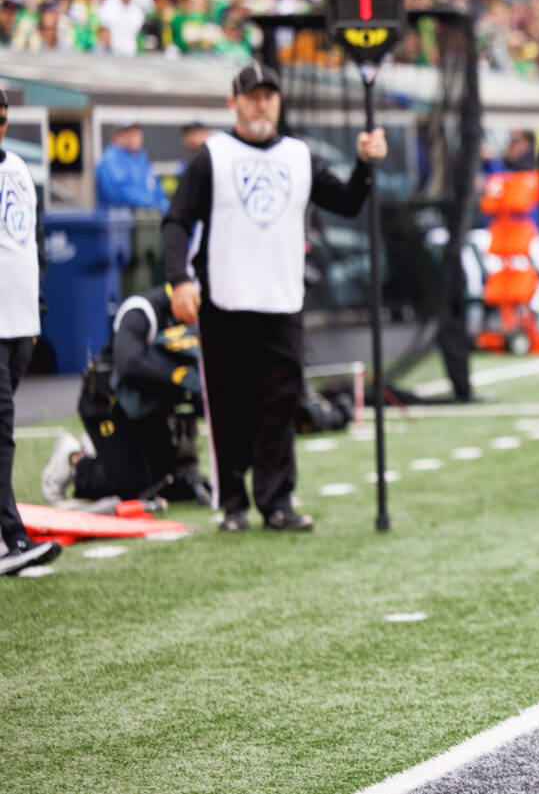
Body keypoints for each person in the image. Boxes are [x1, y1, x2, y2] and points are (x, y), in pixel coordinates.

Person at [162, 63, 387, 532]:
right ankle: (234, 503)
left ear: (278, 101)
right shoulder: (214, 155)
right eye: (252, 95)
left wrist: (366, 166)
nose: (261, 102)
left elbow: (345, 202)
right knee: (228, 407)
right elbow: (176, 221)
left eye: (268, 95)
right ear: (234, 102)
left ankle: (276, 499)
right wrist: (180, 278)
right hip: (224, 299)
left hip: (282, 300)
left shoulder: (299, 155)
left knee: (280, 405)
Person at [41, 284, 209, 506]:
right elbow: (129, 364)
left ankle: (112, 453)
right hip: (109, 404)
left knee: (167, 484)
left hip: (150, 406)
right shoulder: (142, 310)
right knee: (133, 489)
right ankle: (76, 460)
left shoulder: (203, 311)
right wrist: (176, 378)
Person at [0, 88, 63, 575]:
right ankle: (11, 537)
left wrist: (35, 309)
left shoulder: (19, 168)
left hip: (19, 321)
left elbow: (33, 241)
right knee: (1, 429)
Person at [96, 122, 169, 212]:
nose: (134, 137)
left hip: (146, 218)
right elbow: (117, 194)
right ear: (117, 137)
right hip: (117, 220)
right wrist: (151, 203)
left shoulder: (142, 159)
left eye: (136, 133)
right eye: (129, 134)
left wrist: (164, 205)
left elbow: (155, 186)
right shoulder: (109, 160)